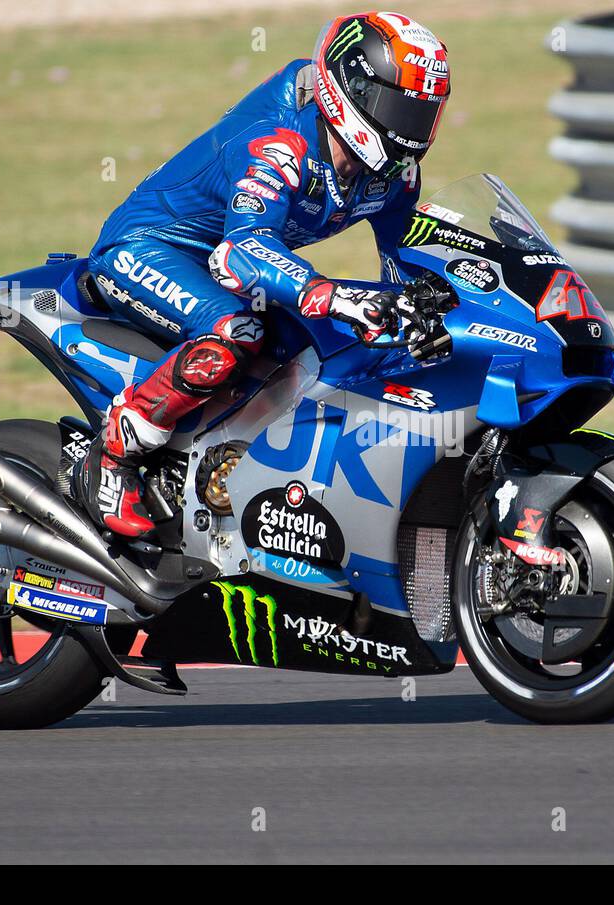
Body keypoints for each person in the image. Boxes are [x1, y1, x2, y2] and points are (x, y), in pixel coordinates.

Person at [77, 11, 450, 537]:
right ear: (353, 89)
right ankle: (118, 448)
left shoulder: (391, 176)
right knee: (236, 332)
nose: (412, 131)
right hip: (149, 248)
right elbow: (242, 253)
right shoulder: (278, 144)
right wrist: (331, 294)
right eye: (400, 109)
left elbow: (402, 263)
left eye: (423, 114)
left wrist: (422, 310)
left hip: (229, 256)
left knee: (337, 343)